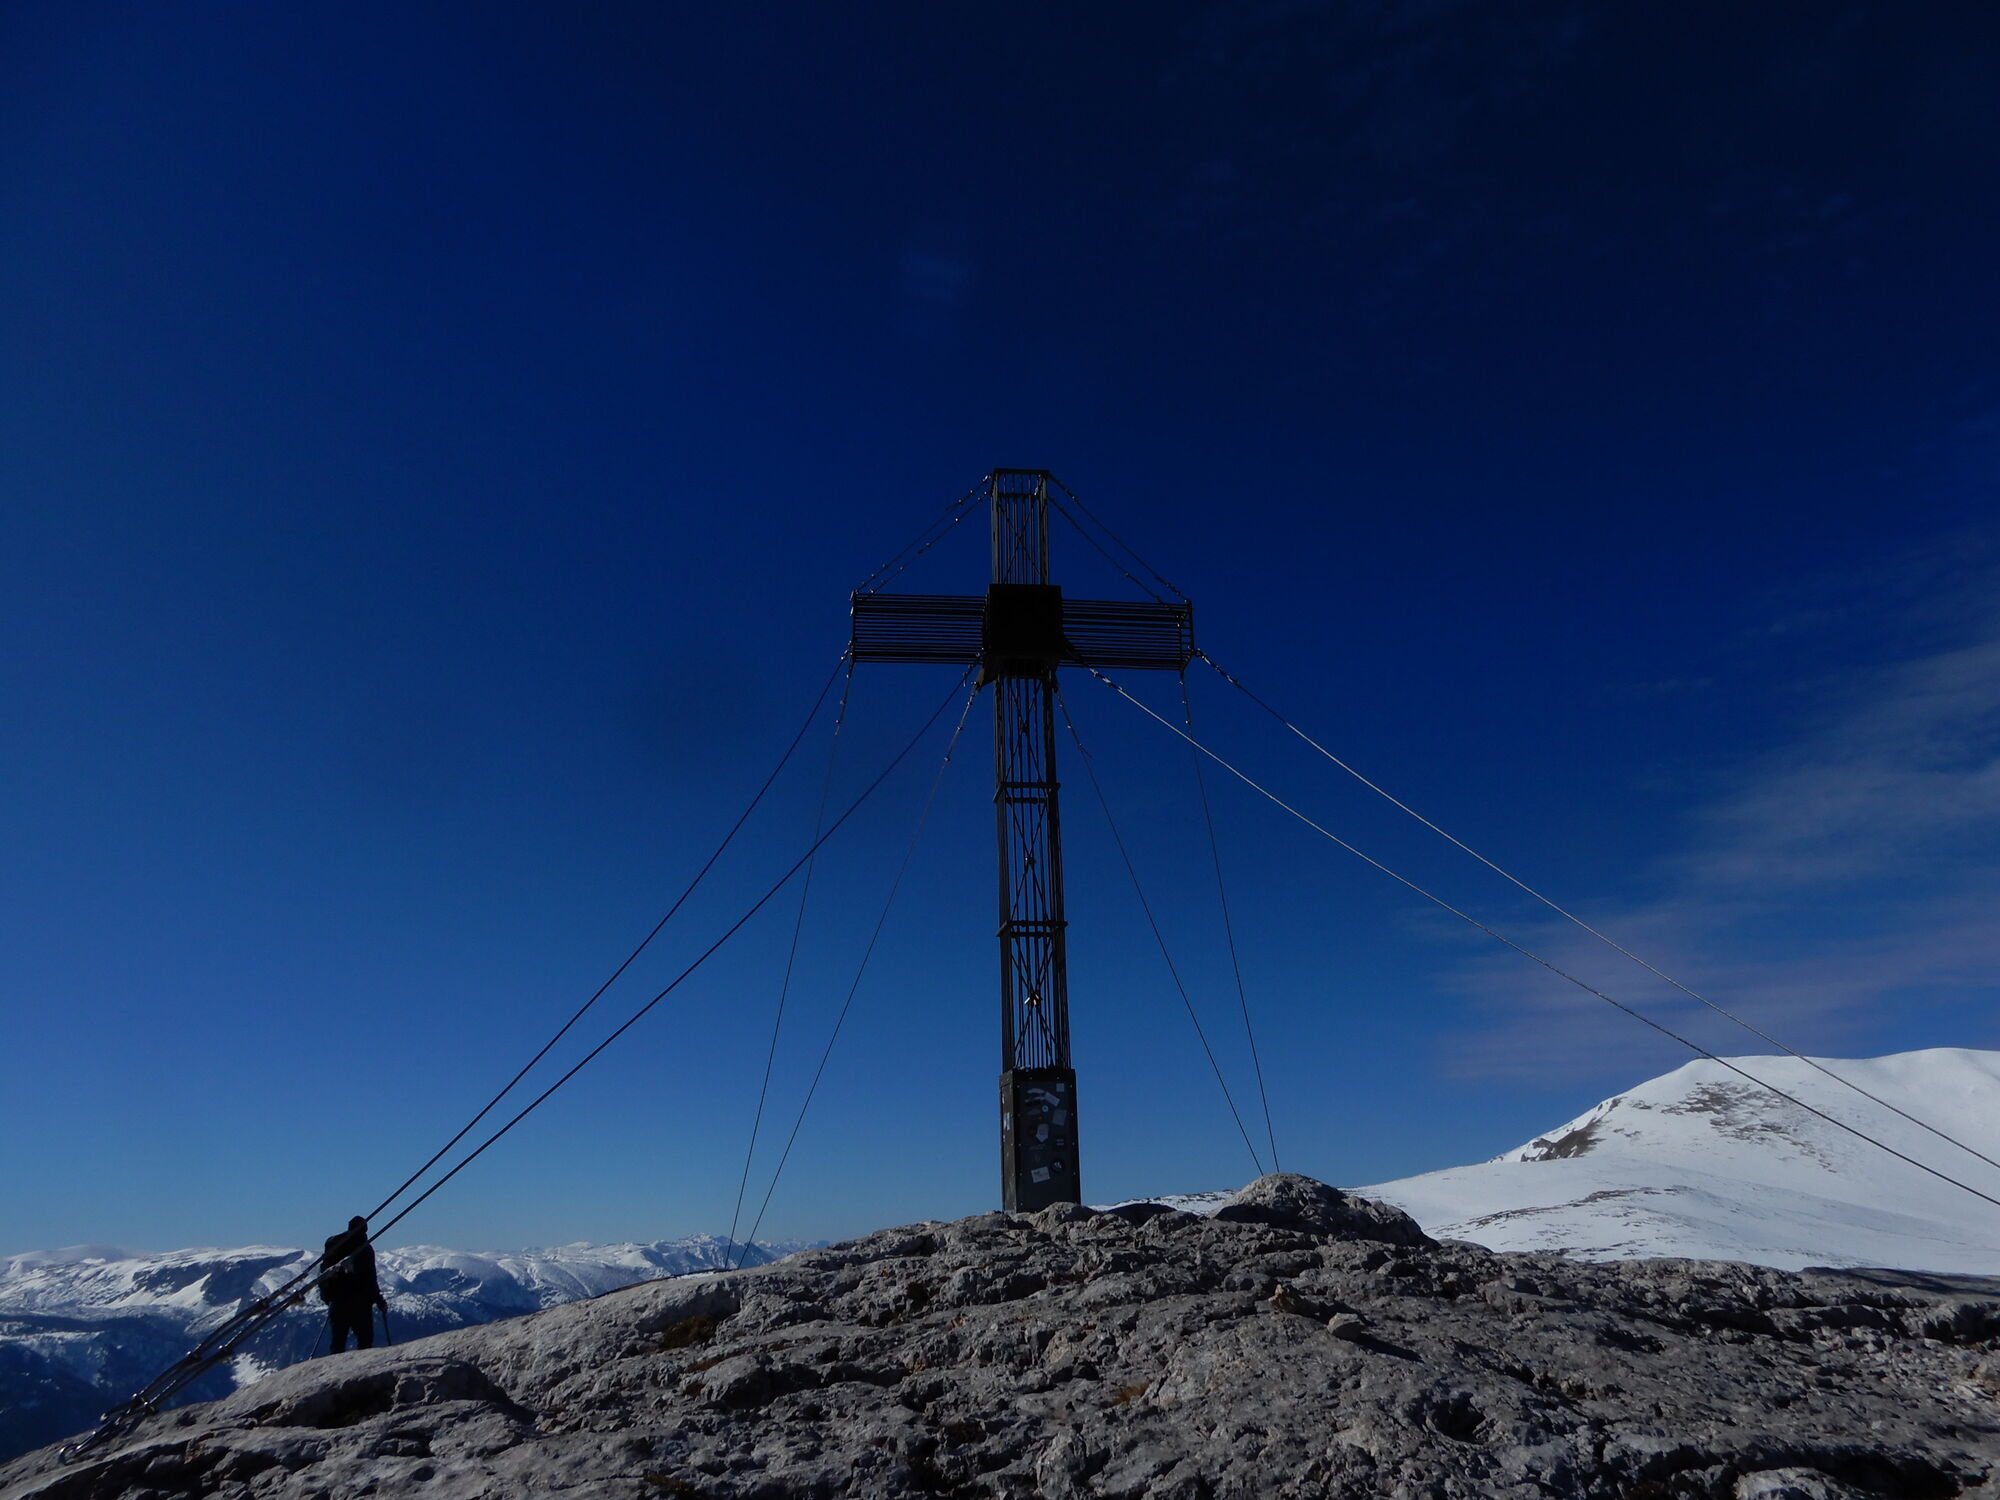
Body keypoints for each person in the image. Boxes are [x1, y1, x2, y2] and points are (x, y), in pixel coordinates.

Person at [317, 1215, 387, 1354]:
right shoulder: (365, 1248)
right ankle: (364, 1370)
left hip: (336, 1300)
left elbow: (324, 1271)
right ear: (364, 1230)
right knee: (365, 1339)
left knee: (338, 1341)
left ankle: (335, 1370)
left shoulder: (333, 1245)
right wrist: (379, 1301)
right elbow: (370, 1278)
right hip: (360, 1302)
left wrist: (326, 1296)